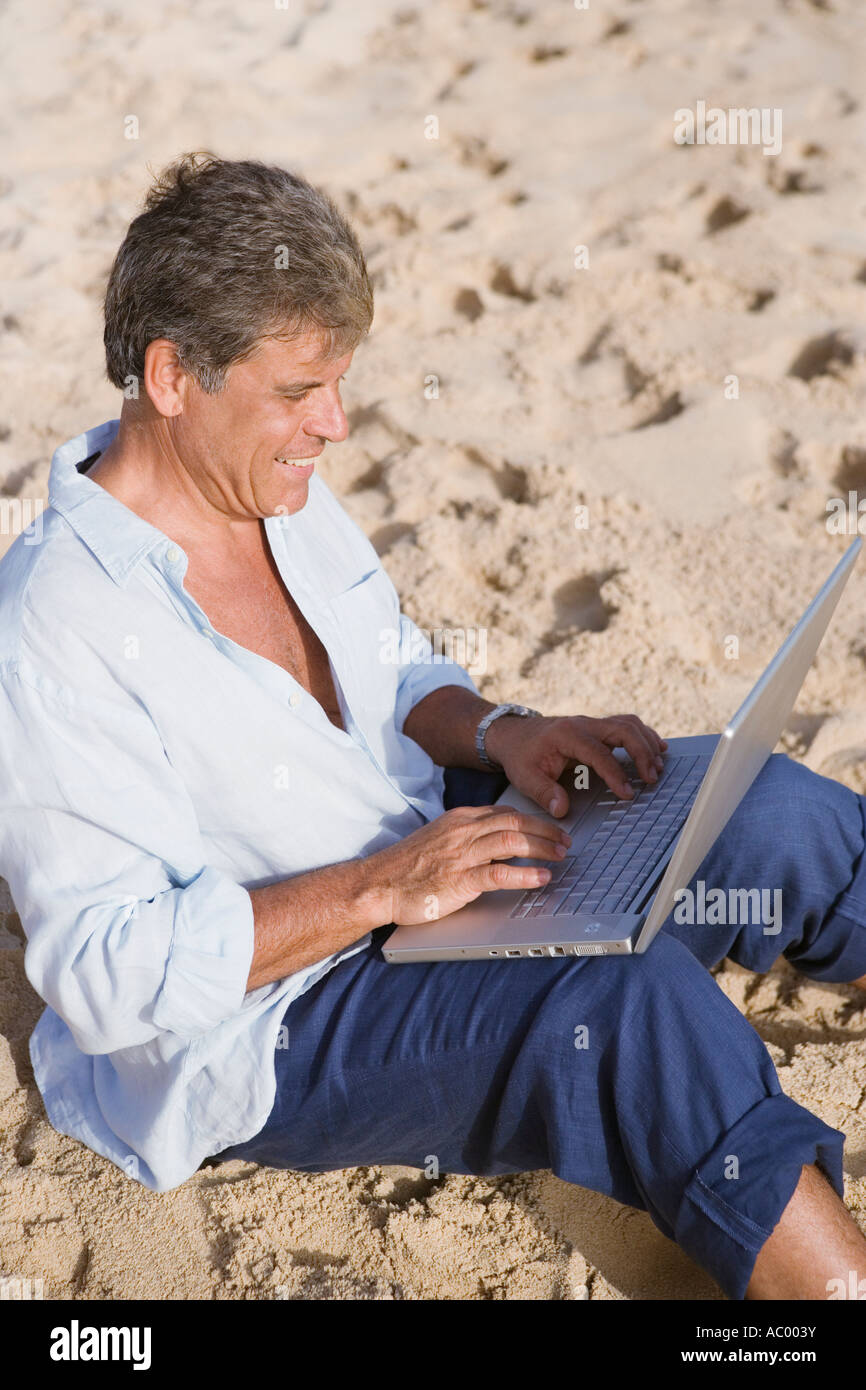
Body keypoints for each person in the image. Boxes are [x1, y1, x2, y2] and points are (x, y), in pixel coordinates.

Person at [1, 152, 865, 1303]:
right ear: (172, 375)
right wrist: (378, 888)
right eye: (301, 392)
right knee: (626, 1007)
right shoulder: (52, 624)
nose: (336, 423)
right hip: (278, 1018)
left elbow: (393, 662)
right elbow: (109, 973)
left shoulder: (269, 484)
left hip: (421, 854)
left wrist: (501, 730)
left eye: (339, 383)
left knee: (761, 807)